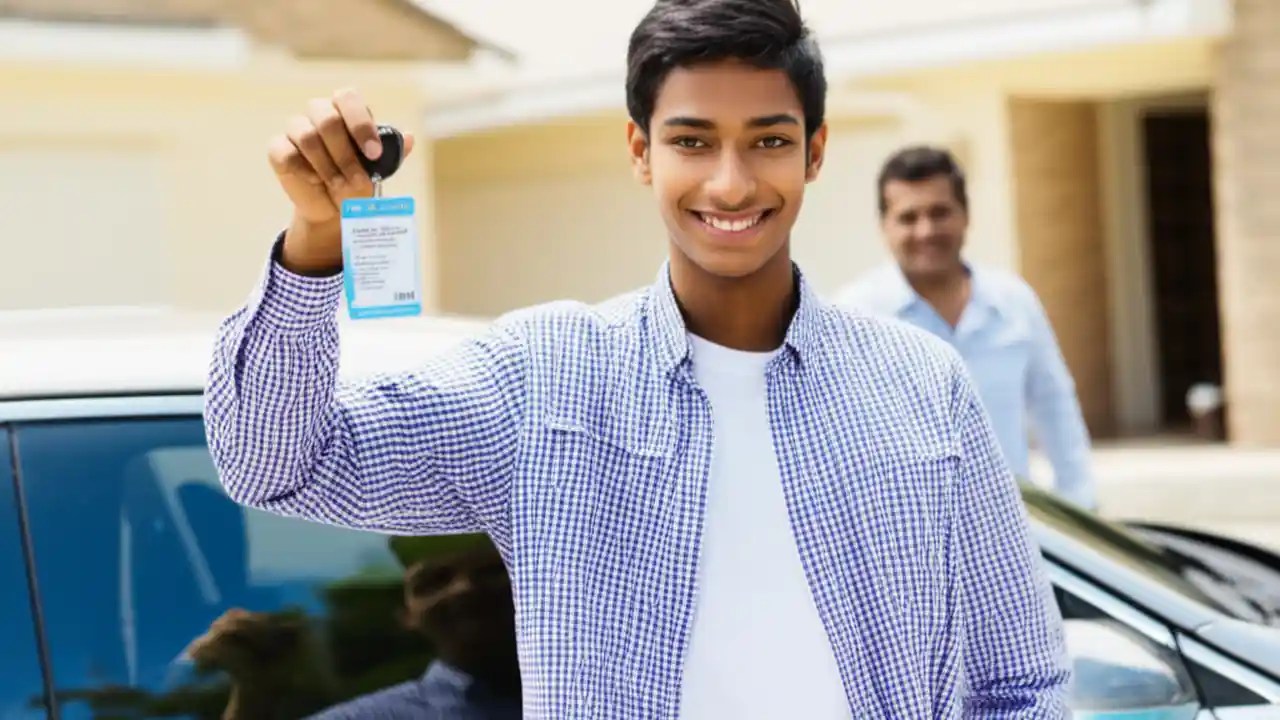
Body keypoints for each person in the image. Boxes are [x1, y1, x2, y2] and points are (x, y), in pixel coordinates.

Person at [204, 0, 1070, 716]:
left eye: (767, 140)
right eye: (692, 141)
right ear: (639, 152)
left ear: (813, 152)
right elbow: (275, 462)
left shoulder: (919, 385)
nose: (730, 183)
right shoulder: (543, 377)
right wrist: (315, 241)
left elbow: (1021, 680)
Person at [834, 145, 1099, 511]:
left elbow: (1055, 406)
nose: (926, 230)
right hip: (910, 539)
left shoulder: (1013, 302)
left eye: (940, 213)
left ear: (966, 215)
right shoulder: (854, 316)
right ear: (885, 227)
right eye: (908, 217)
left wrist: (1081, 503)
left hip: (1013, 529)